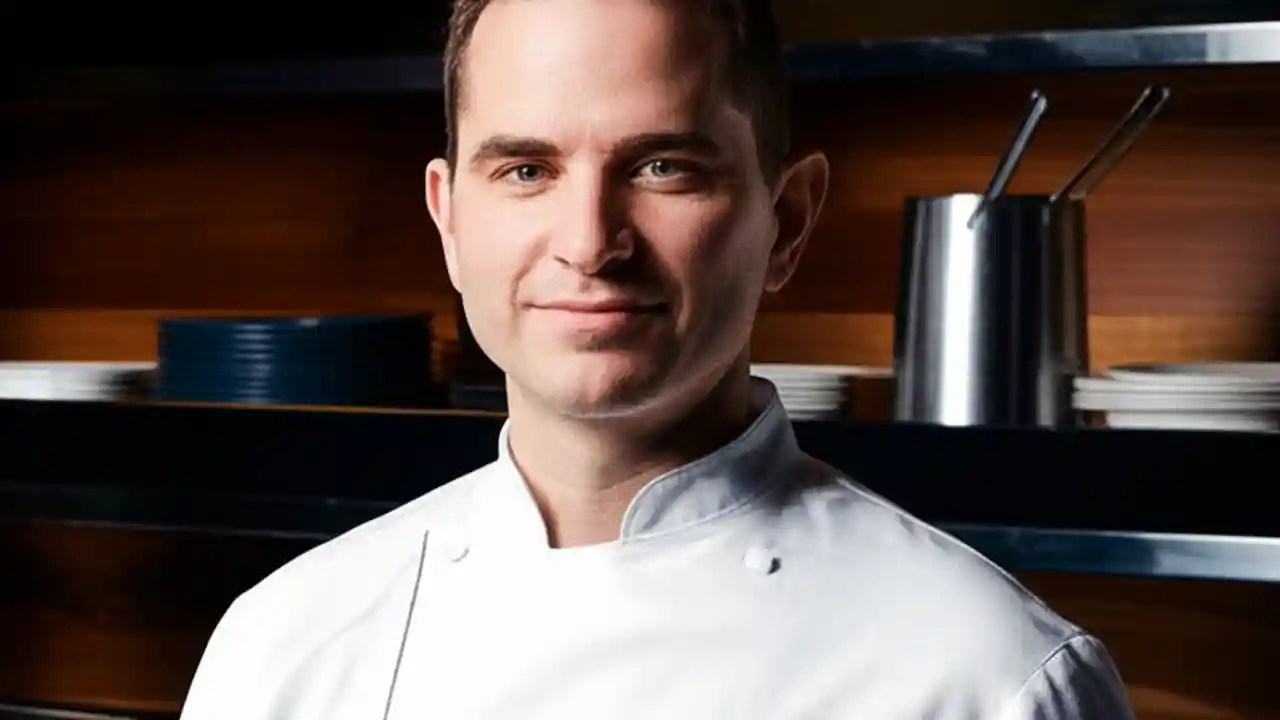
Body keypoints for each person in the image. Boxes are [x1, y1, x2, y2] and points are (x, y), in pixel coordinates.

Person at [179, 1, 1135, 718]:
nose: (590, 242)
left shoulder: (993, 679)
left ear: (786, 222)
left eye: (661, 166)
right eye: (526, 170)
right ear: (450, 220)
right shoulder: (281, 643)